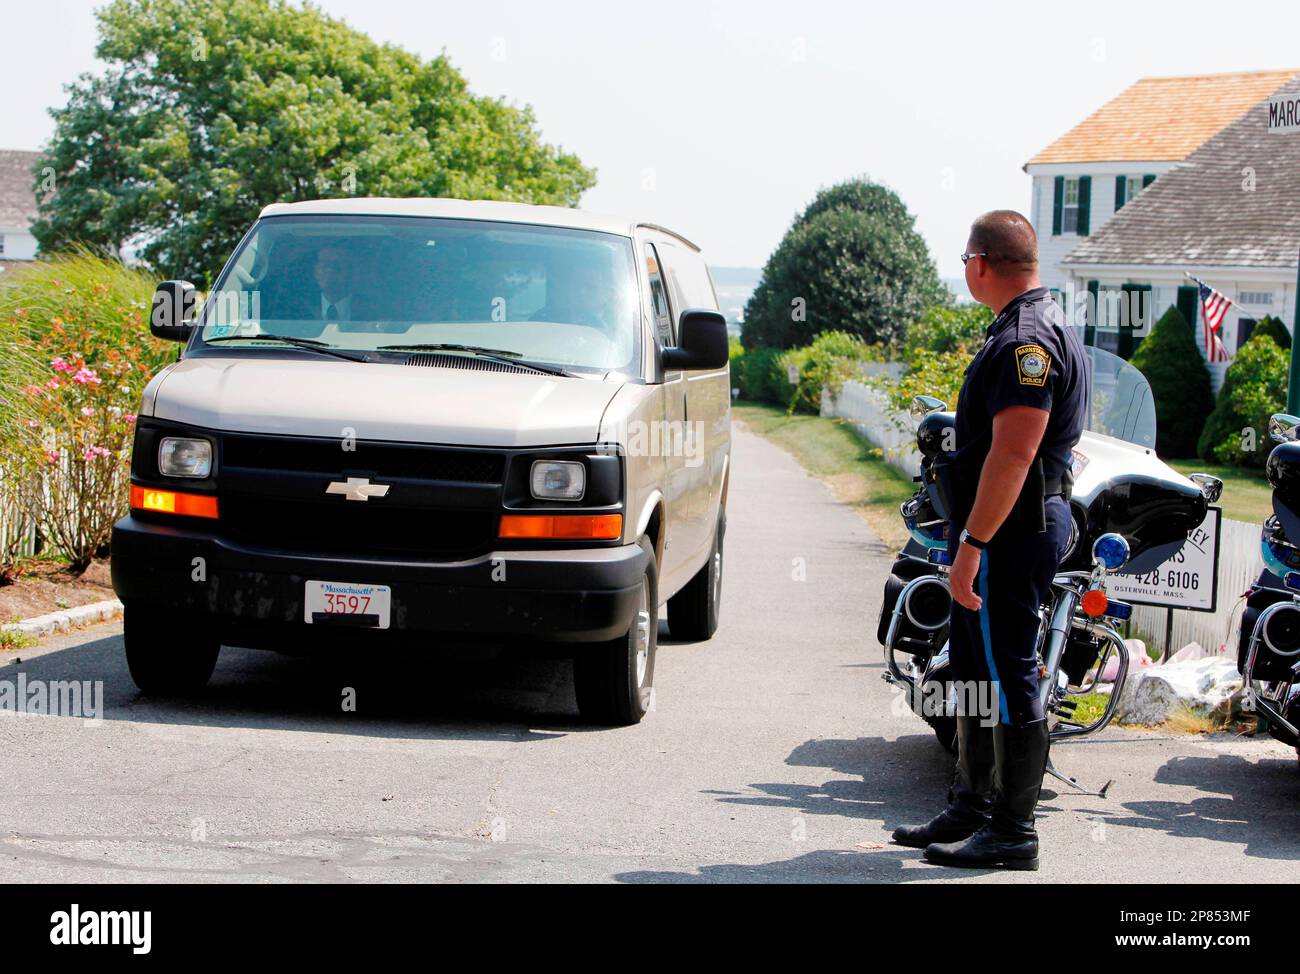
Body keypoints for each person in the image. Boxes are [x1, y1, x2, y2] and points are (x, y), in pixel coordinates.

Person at [891, 210, 1089, 871]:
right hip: (997, 524)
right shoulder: (1021, 326)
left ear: (980, 263)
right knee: (974, 667)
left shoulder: (1026, 340)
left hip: (1013, 527)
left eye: (963, 259)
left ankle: (1013, 833)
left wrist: (972, 544)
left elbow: (1015, 454)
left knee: (1012, 674)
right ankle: (972, 806)